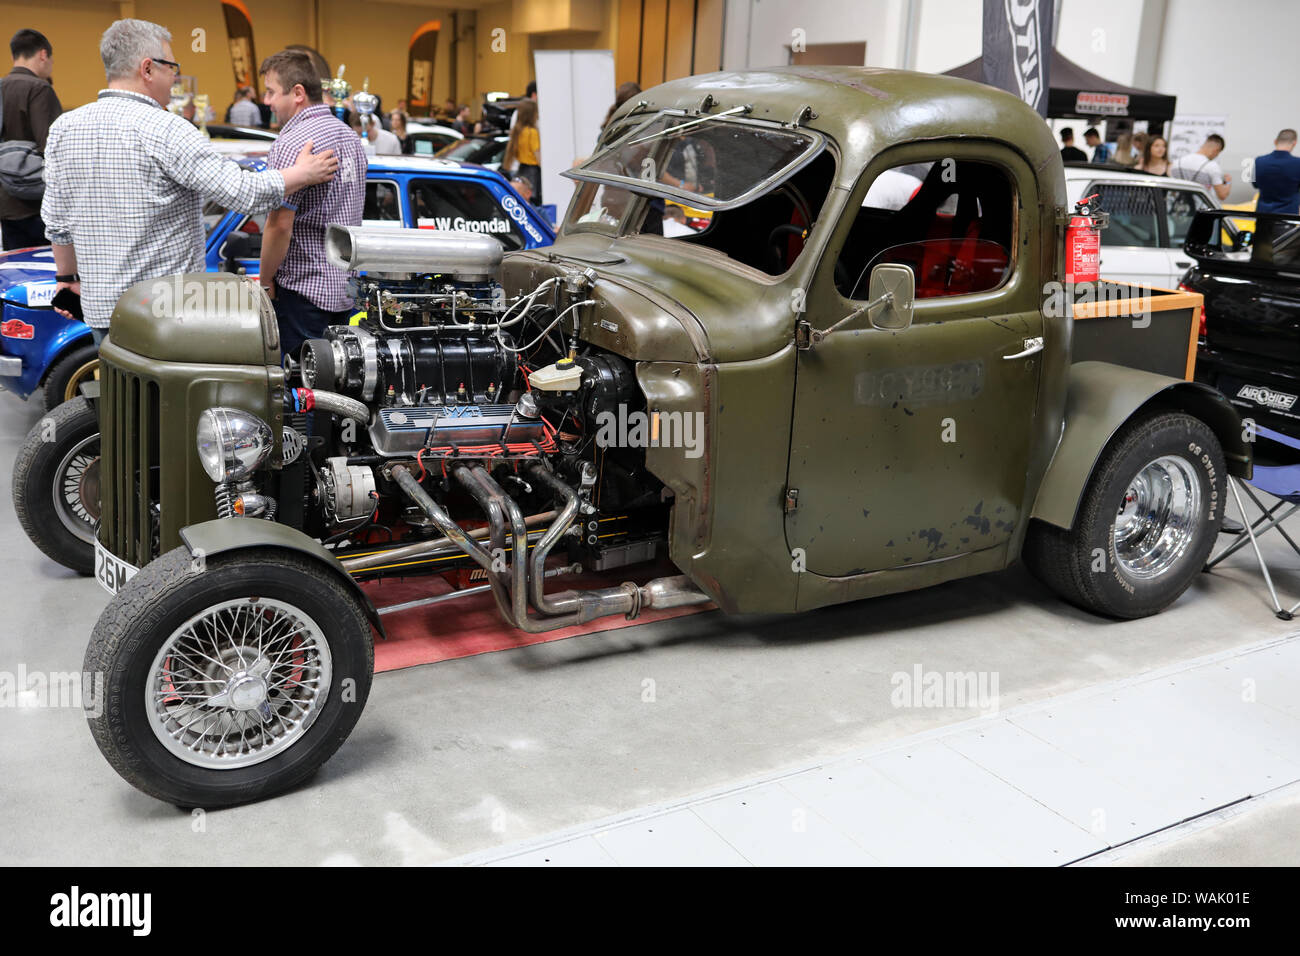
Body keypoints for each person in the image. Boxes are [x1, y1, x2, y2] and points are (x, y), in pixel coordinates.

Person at [40, 19, 338, 342]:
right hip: (164, 317)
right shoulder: (168, 130)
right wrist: (302, 173)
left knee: (116, 392)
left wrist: (67, 277)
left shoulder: (63, 129)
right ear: (148, 69)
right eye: (172, 67)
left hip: (102, 312)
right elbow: (242, 193)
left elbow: (57, 223)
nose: (175, 78)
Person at [256, 49, 366, 356]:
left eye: (271, 92)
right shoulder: (350, 137)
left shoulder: (292, 142)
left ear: (298, 93)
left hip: (303, 292)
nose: (266, 101)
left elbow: (279, 225)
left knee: (301, 392)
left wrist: (265, 282)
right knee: (341, 389)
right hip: (345, 289)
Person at [1, 29, 62, 250]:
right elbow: (52, 147)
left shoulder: (1, 86)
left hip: (6, 203)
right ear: (43, 54)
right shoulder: (39, 88)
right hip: (37, 204)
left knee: (15, 273)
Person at [1251, 129, 1300, 215]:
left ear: (1275, 141)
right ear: (1294, 143)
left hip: (1263, 215)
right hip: (1287, 216)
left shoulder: (1258, 161)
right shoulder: (1297, 163)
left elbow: (1255, 185)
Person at [1169, 134, 1231, 200]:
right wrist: (1228, 182)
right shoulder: (1212, 167)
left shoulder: (1177, 163)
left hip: (1176, 207)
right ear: (1216, 150)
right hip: (1200, 208)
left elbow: (1172, 192)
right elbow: (1222, 195)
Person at [504, 98, 540, 204]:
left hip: (522, 169)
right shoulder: (532, 132)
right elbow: (537, 155)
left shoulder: (517, 131)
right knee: (533, 202)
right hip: (533, 171)